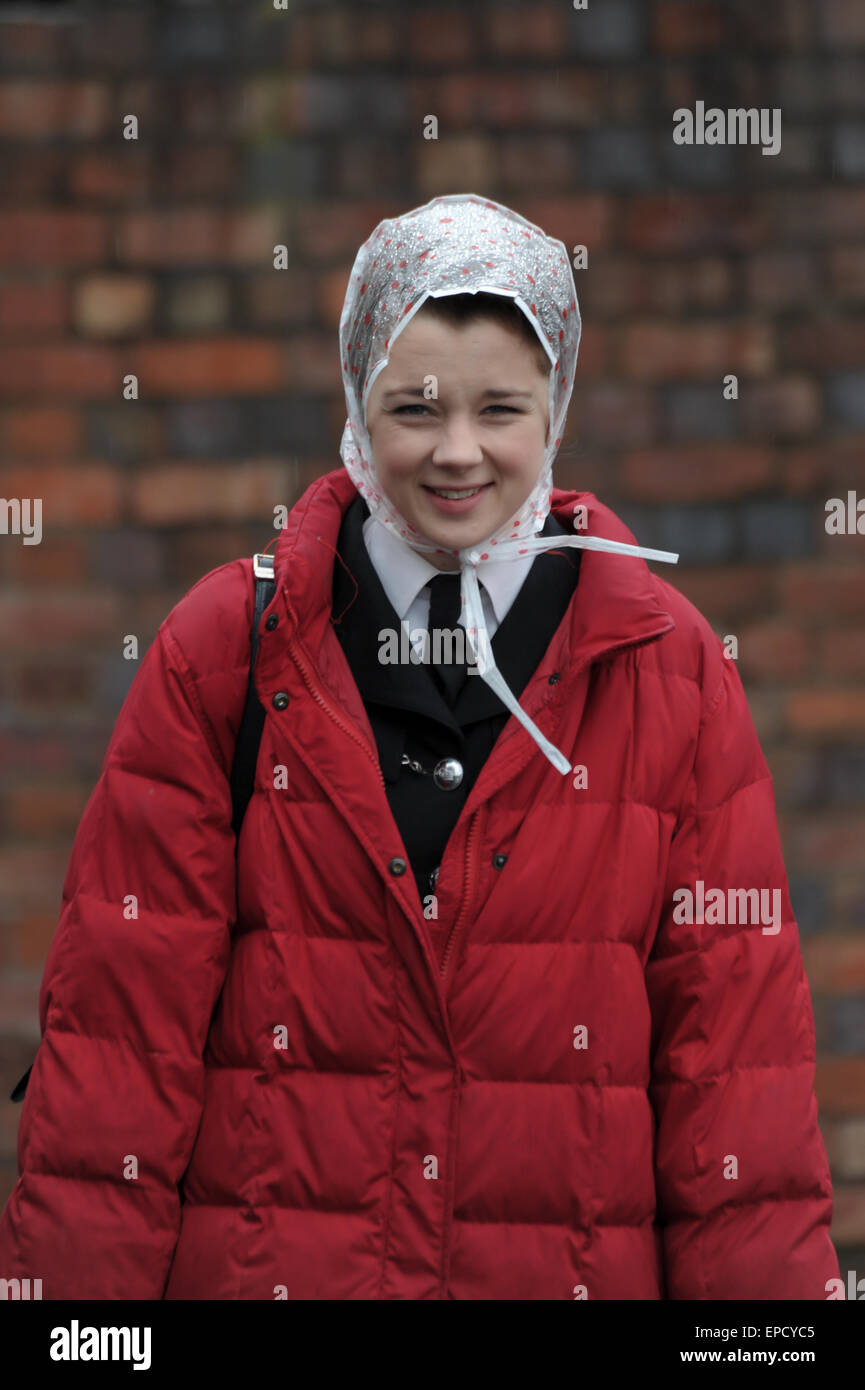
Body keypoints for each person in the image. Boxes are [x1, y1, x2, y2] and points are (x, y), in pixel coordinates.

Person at [0, 193, 840, 1300]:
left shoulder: (666, 667)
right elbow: (117, 1051)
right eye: (413, 408)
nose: (456, 453)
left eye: (500, 408)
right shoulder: (224, 650)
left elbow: (737, 1086)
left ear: (557, 409)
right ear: (356, 405)